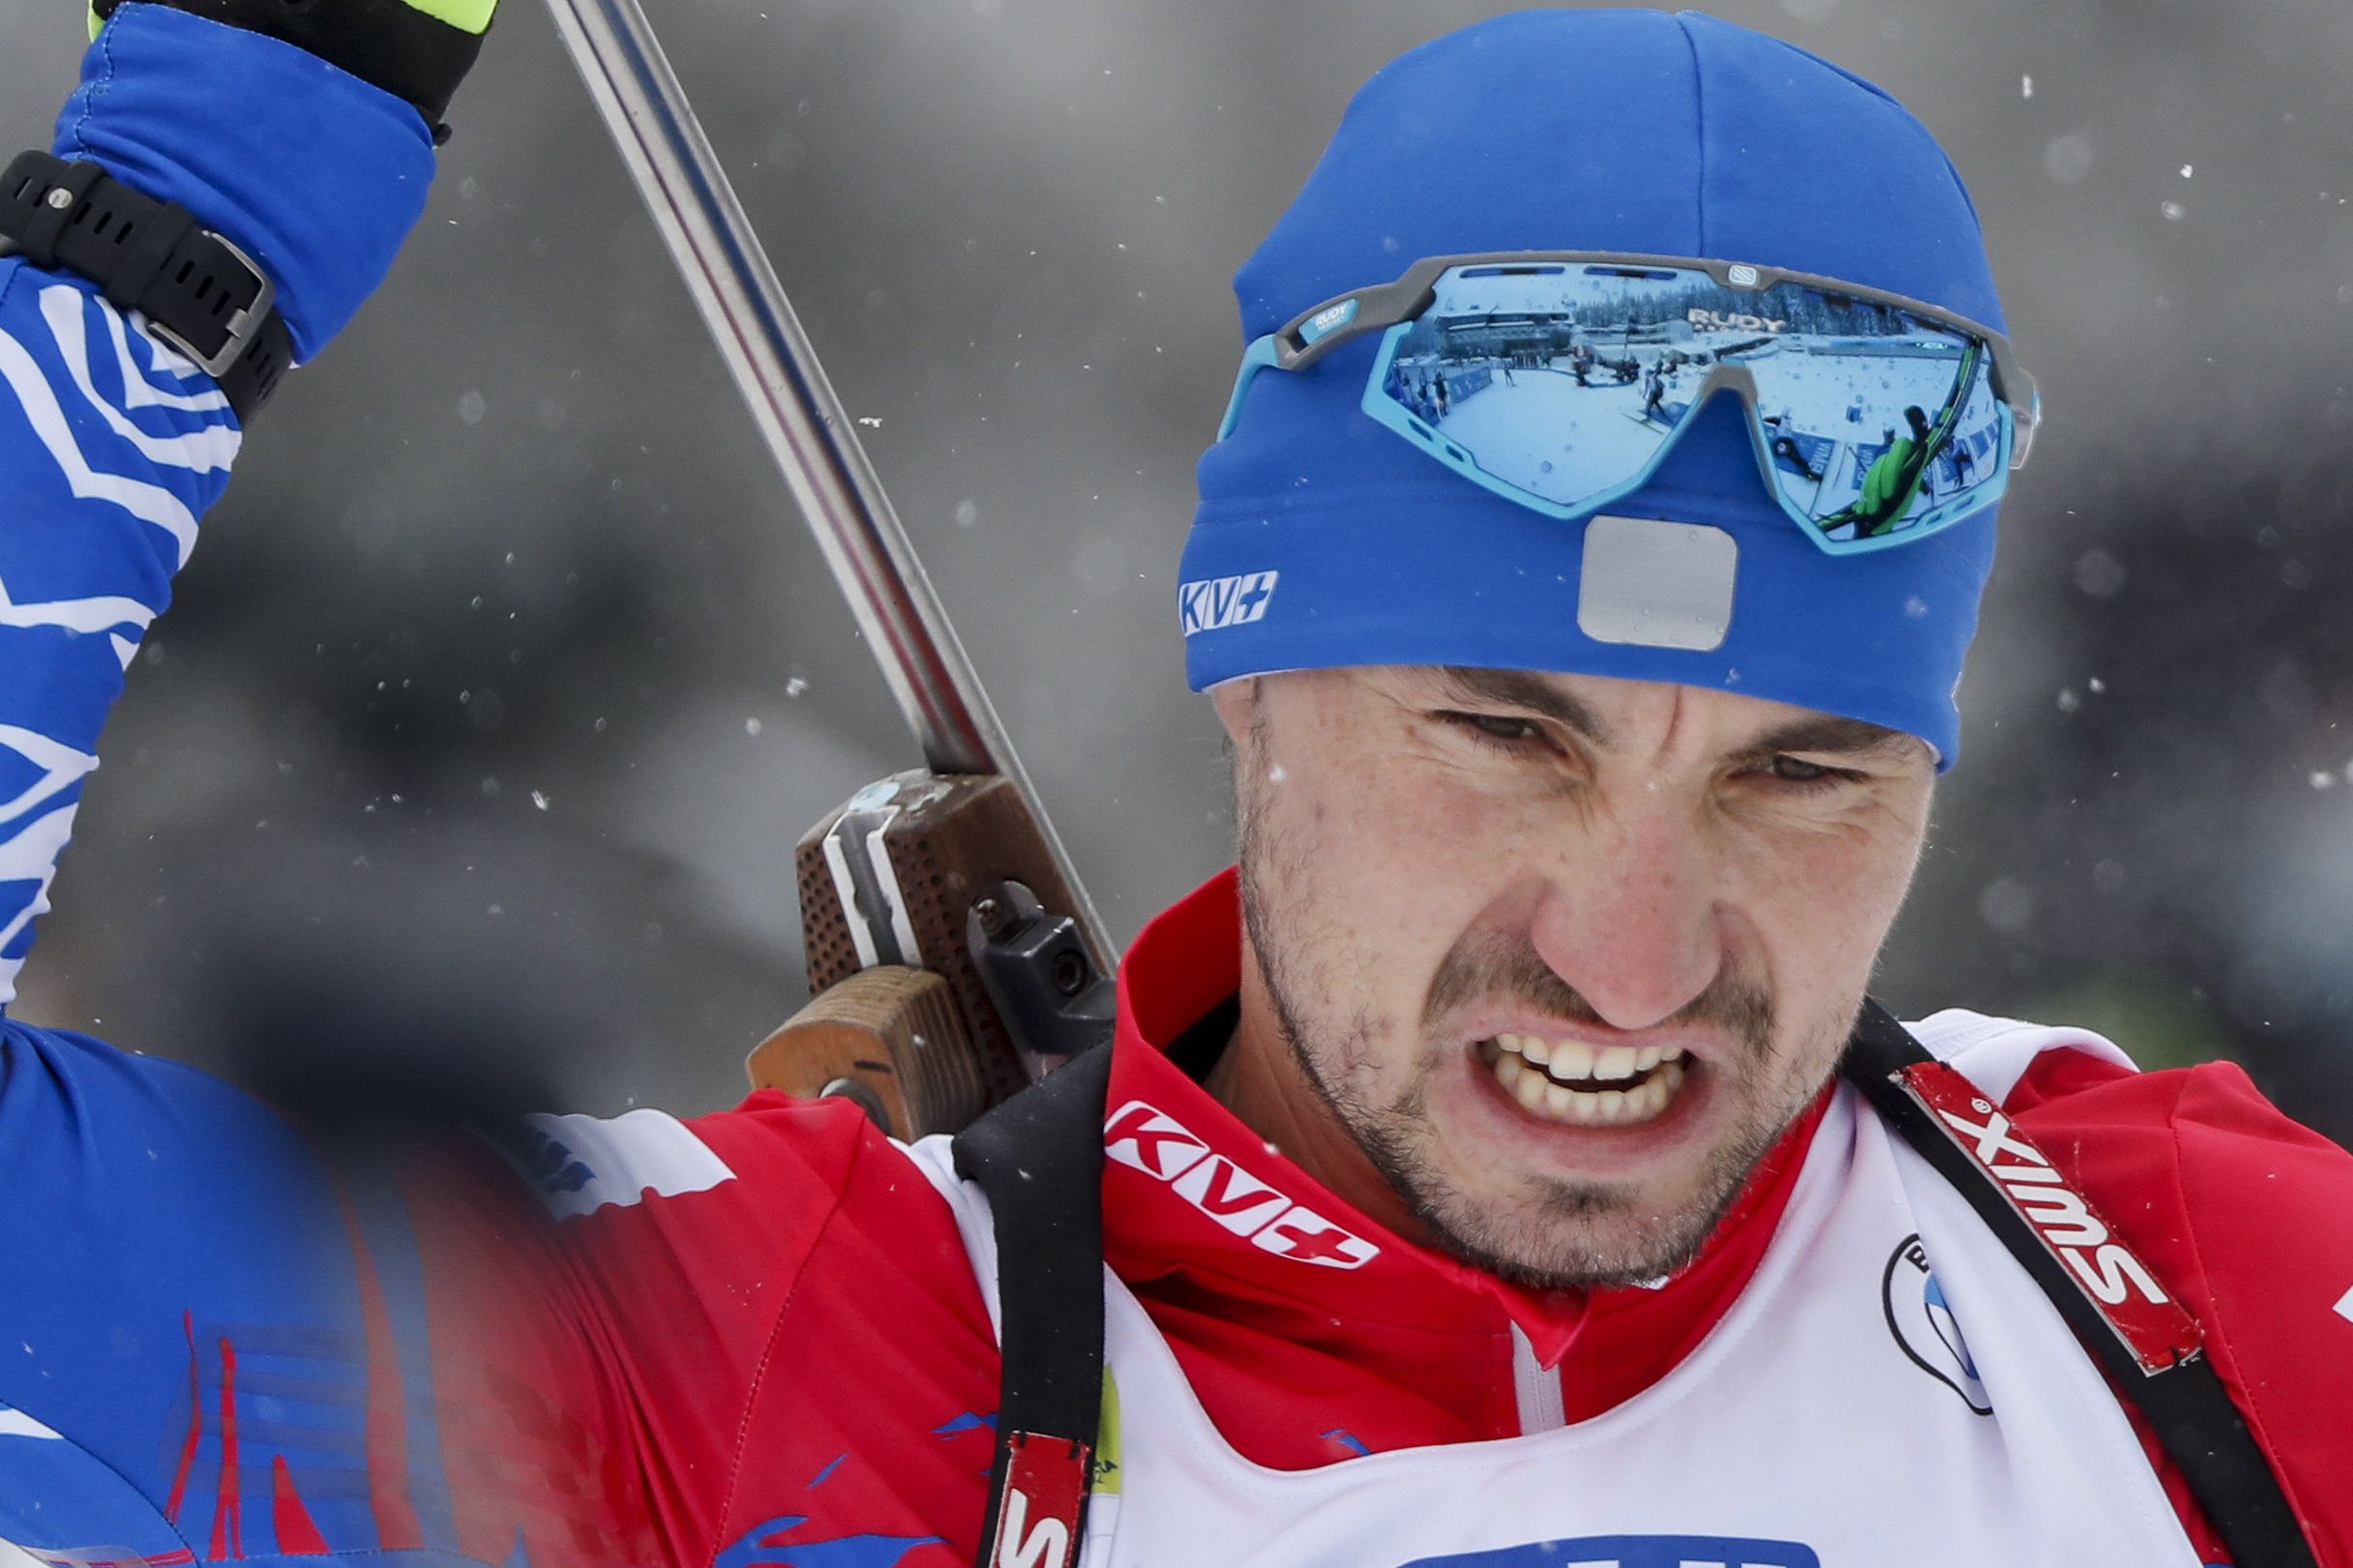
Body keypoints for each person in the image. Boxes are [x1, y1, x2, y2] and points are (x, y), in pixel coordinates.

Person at [0, 9, 2347, 1568]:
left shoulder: (2199, 1302)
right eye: (1504, 735)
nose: (1631, 960)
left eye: (1804, 773)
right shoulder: (793, 1359)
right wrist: (203, 198)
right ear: (1252, 684)